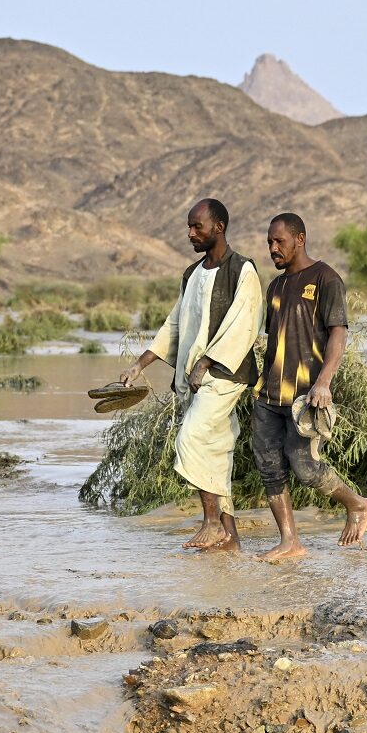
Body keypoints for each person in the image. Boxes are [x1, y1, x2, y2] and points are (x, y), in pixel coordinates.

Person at [121, 199, 264, 551]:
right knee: (215, 449)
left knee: (191, 438)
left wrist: (206, 363)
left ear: (219, 227)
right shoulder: (192, 273)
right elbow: (174, 325)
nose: (190, 233)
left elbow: (245, 325)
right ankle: (230, 537)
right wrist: (140, 364)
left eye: (197, 226)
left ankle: (211, 522)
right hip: (195, 380)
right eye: (189, 226)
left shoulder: (242, 270)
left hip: (225, 374)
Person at [249, 213, 367, 562]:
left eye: (279, 241)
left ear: (300, 239)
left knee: (305, 467)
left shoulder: (326, 278)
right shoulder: (275, 286)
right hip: (269, 394)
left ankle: (357, 503)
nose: (272, 248)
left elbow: (338, 333)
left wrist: (324, 382)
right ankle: (290, 541)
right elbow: (275, 339)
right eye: (269, 242)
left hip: (306, 396)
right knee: (269, 466)